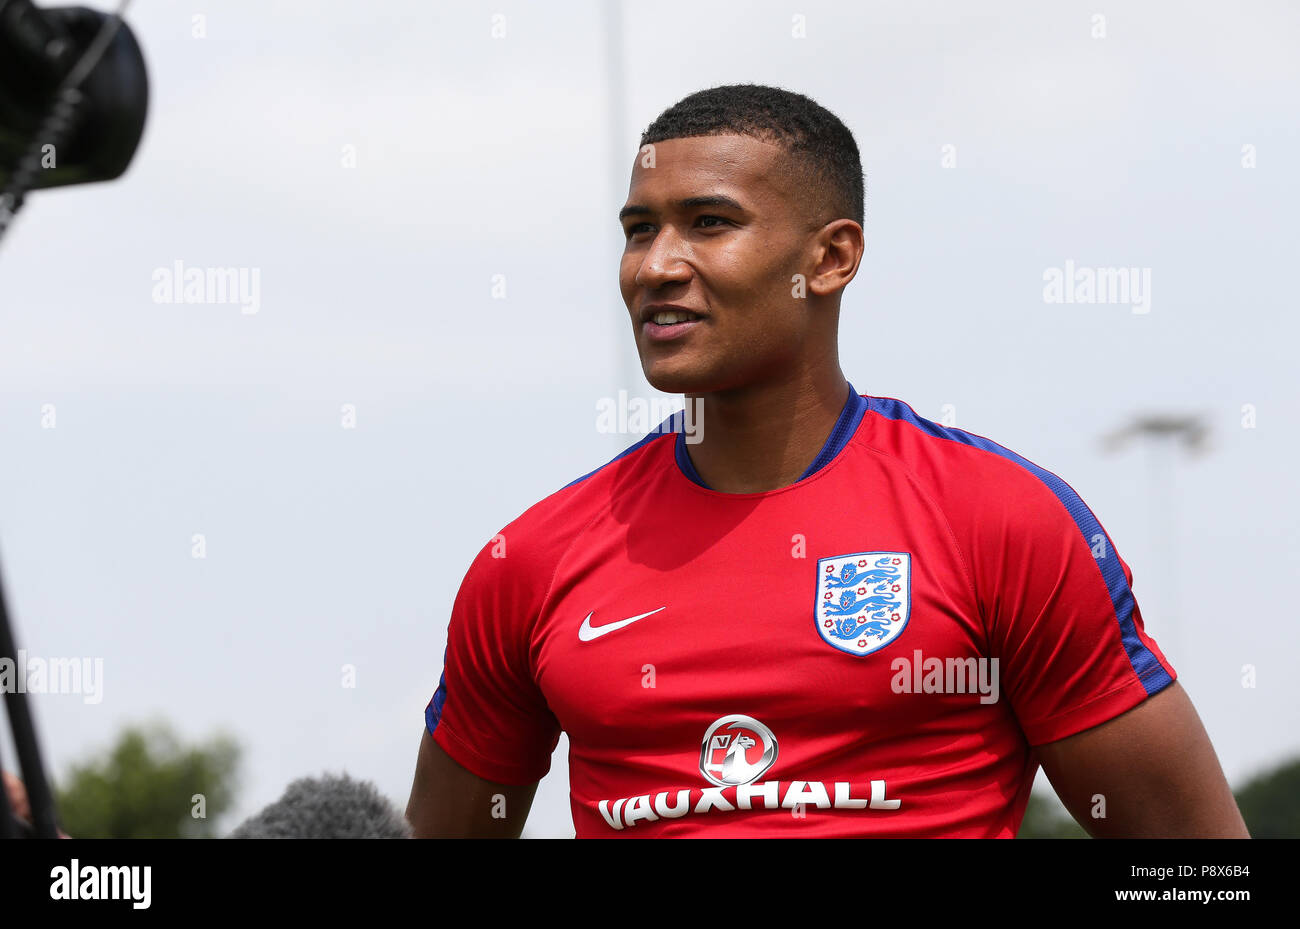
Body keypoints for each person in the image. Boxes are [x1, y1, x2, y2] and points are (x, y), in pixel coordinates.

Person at [406, 84, 1248, 838]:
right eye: (638, 230)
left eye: (709, 222)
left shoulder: (997, 519)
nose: (655, 266)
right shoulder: (530, 562)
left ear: (831, 257)